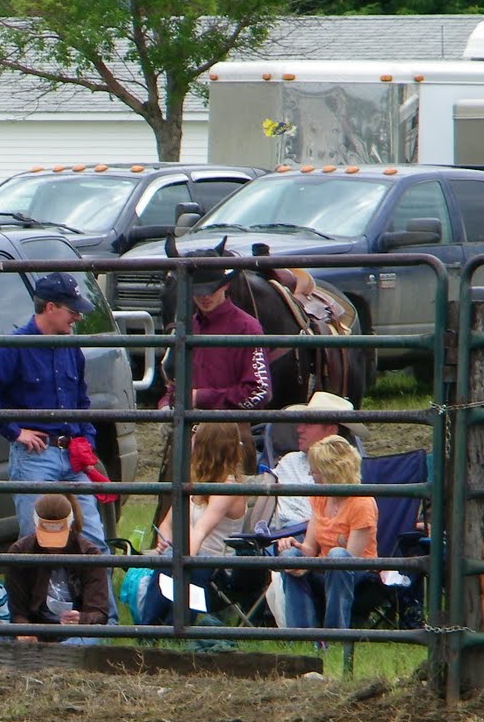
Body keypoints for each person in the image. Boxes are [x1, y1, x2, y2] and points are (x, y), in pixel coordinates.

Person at [0, 271, 108, 554]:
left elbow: (81, 401)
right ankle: (42, 599)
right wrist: (16, 431)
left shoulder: (71, 348)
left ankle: (95, 599)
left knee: (95, 544)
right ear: (50, 307)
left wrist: (86, 441)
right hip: (36, 457)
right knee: (38, 543)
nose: (78, 317)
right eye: (72, 311)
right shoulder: (15, 347)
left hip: (70, 455)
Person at [137, 422, 247, 627]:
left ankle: (160, 630)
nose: (191, 439)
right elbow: (167, 523)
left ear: (207, 445)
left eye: (196, 434)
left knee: (184, 565)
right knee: (174, 561)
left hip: (218, 569)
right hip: (193, 556)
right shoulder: (194, 483)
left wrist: (178, 556)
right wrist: (166, 541)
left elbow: (200, 531)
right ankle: (152, 631)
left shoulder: (227, 488)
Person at [278, 435, 376, 630]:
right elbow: (309, 548)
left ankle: (335, 634)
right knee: (290, 556)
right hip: (321, 567)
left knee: (338, 556)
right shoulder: (320, 496)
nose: (310, 474)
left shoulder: (362, 503)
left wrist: (308, 567)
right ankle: (302, 634)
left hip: (357, 574)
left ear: (331, 473)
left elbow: (352, 560)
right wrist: (294, 546)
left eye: (314, 471)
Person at [158, 264, 272, 414]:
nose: (205, 296)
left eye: (212, 289)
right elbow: (176, 383)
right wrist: (166, 402)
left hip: (231, 431)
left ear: (226, 285)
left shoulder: (247, 328)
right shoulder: (187, 327)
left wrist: (202, 397)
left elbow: (260, 392)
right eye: (197, 291)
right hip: (192, 428)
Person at [5, 493, 112, 636]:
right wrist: (26, 632)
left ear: (70, 527)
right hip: (36, 631)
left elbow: (99, 613)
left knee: (88, 641)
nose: (53, 546)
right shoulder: (19, 553)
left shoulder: (89, 554)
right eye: (47, 537)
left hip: (78, 632)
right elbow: (17, 611)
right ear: (36, 526)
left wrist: (81, 619)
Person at [271, 390, 366, 528]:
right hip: (285, 537)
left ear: (331, 431)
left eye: (309, 423)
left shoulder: (349, 469)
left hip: (324, 537)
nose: (299, 429)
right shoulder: (288, 462)